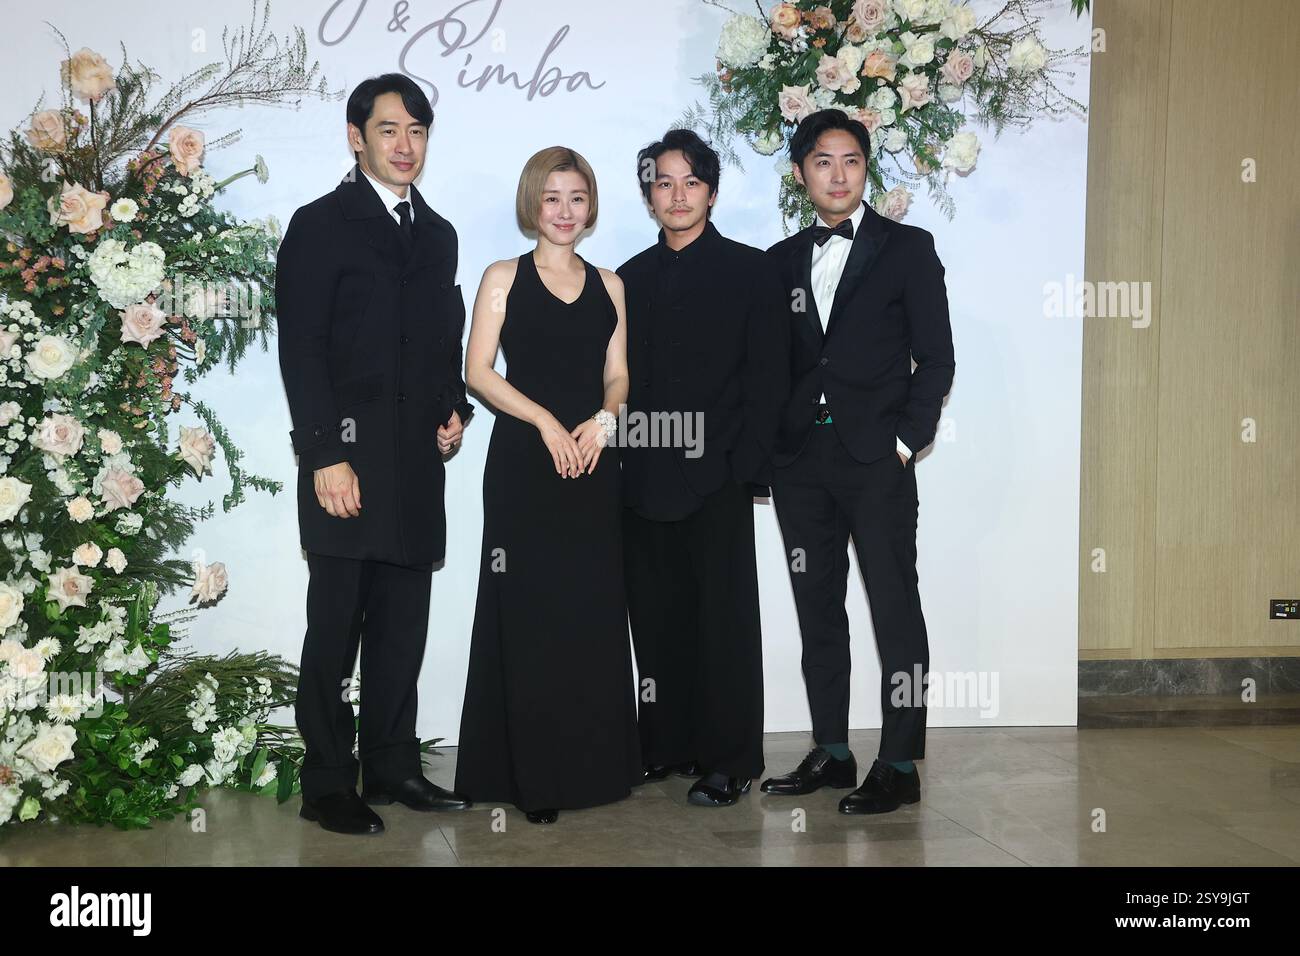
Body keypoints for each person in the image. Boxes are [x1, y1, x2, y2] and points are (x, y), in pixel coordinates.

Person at [276, 74, 475, 835]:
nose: (405, 146)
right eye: (389, 130)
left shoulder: (441, 234)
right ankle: (327, 780)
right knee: (334, 629)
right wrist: (324, 454)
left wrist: (453, 409)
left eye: (417, 131)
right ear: (355, 136)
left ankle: (393, 765)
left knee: (403, 626)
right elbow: (304, 349)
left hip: (415, 468)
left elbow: (437, 344)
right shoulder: (319, 224)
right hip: (344, 466)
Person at [761, 109, 955, 814]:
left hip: (877, 461)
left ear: (865, 169)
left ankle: (899, 761)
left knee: (894, 609)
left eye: (850, 161)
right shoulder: (780, 261)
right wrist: (771, 452)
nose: (837, 174)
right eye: (822, 161)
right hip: (800, 466)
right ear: (800, 172)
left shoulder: (907, 248)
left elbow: (937, 358)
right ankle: (832, 751)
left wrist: (906, 443)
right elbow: (771, 367)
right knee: (819, 610)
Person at [453, 146, 641, 824]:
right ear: (533, 203)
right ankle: (526, 776)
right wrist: (545, 423)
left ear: (591, 207)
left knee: (588, 611)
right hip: (525, 468)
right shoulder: (502, 276)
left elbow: (618, 375)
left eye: (578, 198)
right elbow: (478, 371)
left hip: (593, 463)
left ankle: (593, 769)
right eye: (553, 197)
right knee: (527, 614)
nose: (565, 211)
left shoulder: (612, 284)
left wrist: (602, 419)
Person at [616, 129, 788, 807]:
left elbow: (770, 380)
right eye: (663, 182)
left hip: (717, 478)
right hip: (642, 477)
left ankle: (731, 758)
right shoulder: (626, 278)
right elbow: (616, 381)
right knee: (655, 621)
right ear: (649, 196)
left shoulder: (752, 272)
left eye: (690, 182)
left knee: (724, 627)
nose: (677, 195)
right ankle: (664, 744)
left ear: (712, 192)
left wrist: (742, 469)